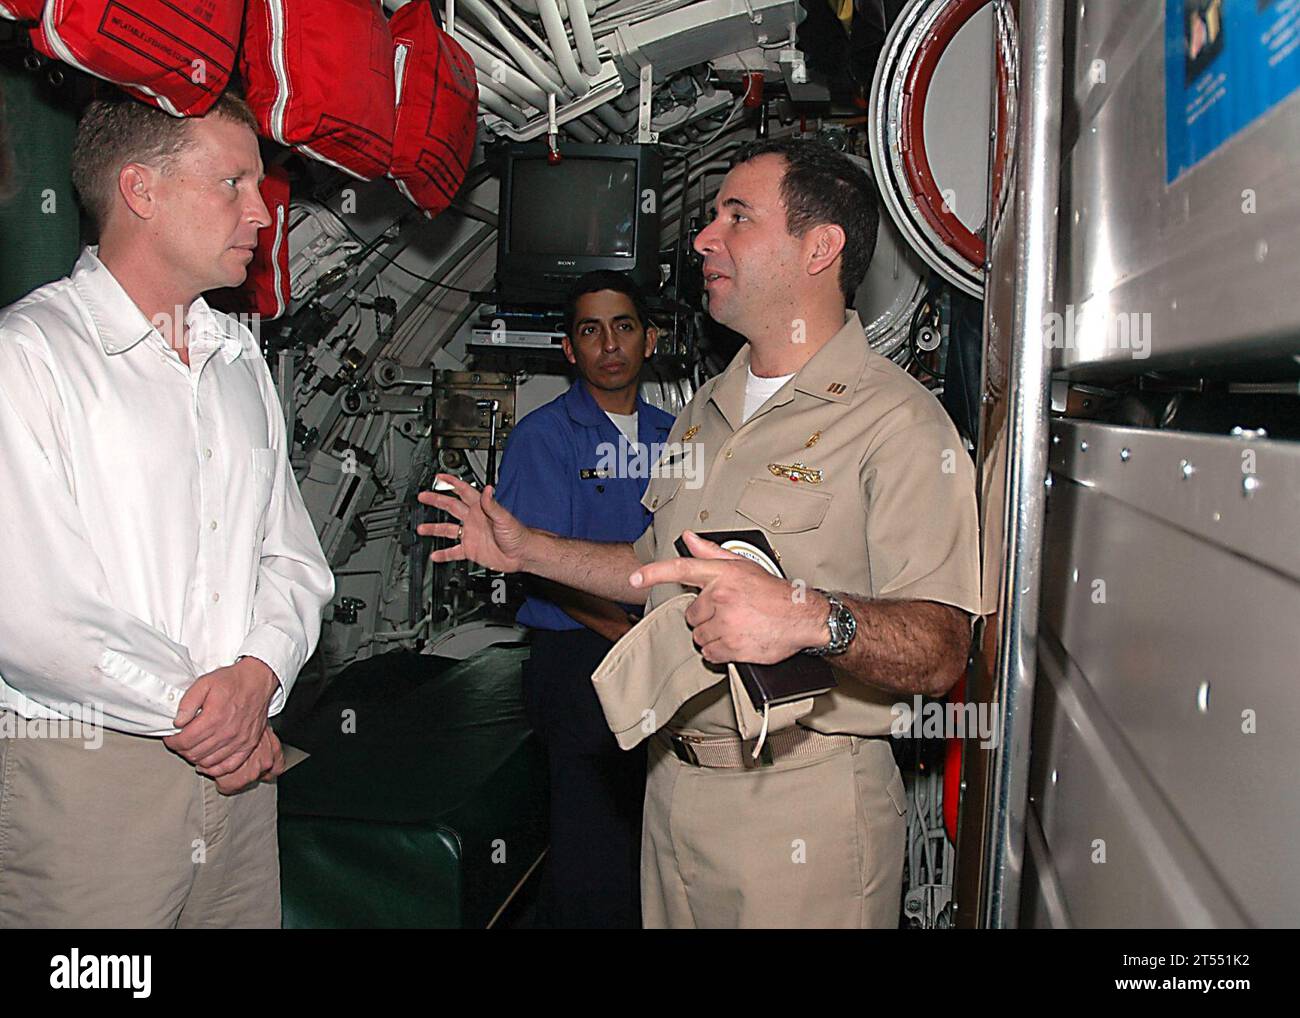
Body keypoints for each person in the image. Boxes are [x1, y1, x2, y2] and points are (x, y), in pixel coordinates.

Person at [418, 138, 981, 928]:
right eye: (711, 216)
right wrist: (528, 549)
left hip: (804, 808)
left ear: (820, 248)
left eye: (736, 217)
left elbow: (940, 648)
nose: (704, 237)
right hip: (671, 792)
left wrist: (806, 617)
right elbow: (654, 570)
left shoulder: (899, 425)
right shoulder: (703, 409)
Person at [0, 90, 335, 928]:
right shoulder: (30, 360)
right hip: (96, 777)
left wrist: (257, 675)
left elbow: (290, 558)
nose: (260, 213)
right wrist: (208, 709)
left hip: (242, 765)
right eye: (232, 184)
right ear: (141, 191)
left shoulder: (237, 360)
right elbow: (32, 612)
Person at [493, 270, 674, 928]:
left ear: (649, 340)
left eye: (623, 326)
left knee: (652, 844)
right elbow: (536, 567)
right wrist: (627, 638)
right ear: (569, 350)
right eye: (590, 330)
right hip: (580, 661)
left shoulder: (676, 437)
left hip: (661, 658)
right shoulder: (544, 437)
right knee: (593, 851)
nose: (609, 343)